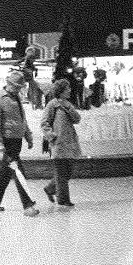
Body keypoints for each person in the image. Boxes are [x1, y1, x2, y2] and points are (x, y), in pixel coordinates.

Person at [0, 71, 40, 216]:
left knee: (5, 172)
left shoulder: (17, 98)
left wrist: (28, 136)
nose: (17, 89)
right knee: (18, 171)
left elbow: (22, 119)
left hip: (17, 140)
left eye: (19, 87)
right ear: (8, 83)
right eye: (15, 86)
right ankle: (28, 205)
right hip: (7, 141)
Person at [41, 78, 82, 207]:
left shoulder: (68, 104)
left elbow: (77, 119)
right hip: (58, 142)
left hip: (70, 142)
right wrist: (50, 135)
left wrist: (69, 109)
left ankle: (50, 188)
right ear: (61, 91)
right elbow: (44, 122)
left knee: (68, 171)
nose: (70, 90)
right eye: (67, 89)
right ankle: (63, 199)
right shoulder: (52, 105)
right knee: (61, 172)